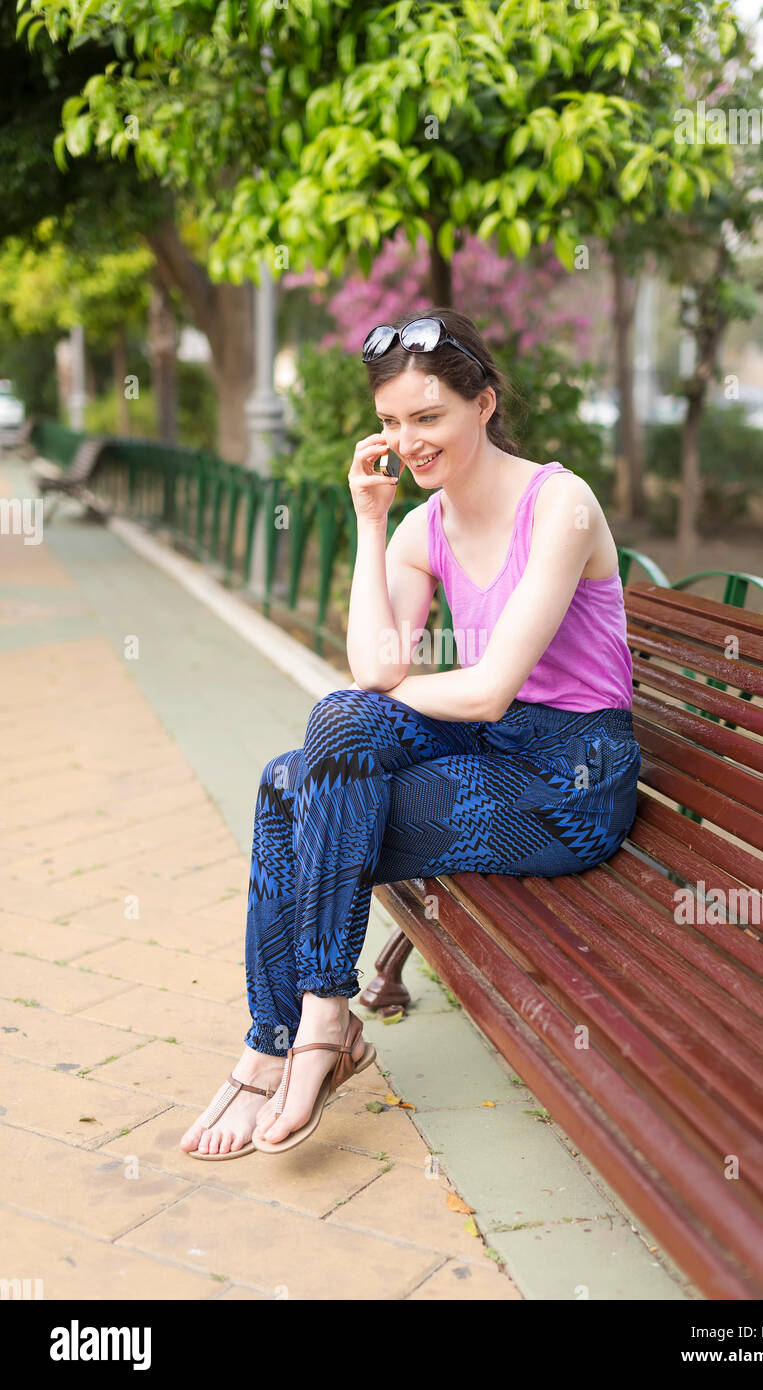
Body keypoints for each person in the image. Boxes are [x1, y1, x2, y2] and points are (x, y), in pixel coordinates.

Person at [180, 308, 640, 1160]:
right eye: (392, 422)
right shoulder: (423, 523)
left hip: (571, 779)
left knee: (309, 784)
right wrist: (367, 516)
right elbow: (372, 667)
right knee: (315, 752)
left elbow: (494, 689)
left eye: (429, 417)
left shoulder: (560, 502)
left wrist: (386, 709)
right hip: (492, 751)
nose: (409, 440)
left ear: (485, 405)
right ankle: (309, 1020)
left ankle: (288, 1041)